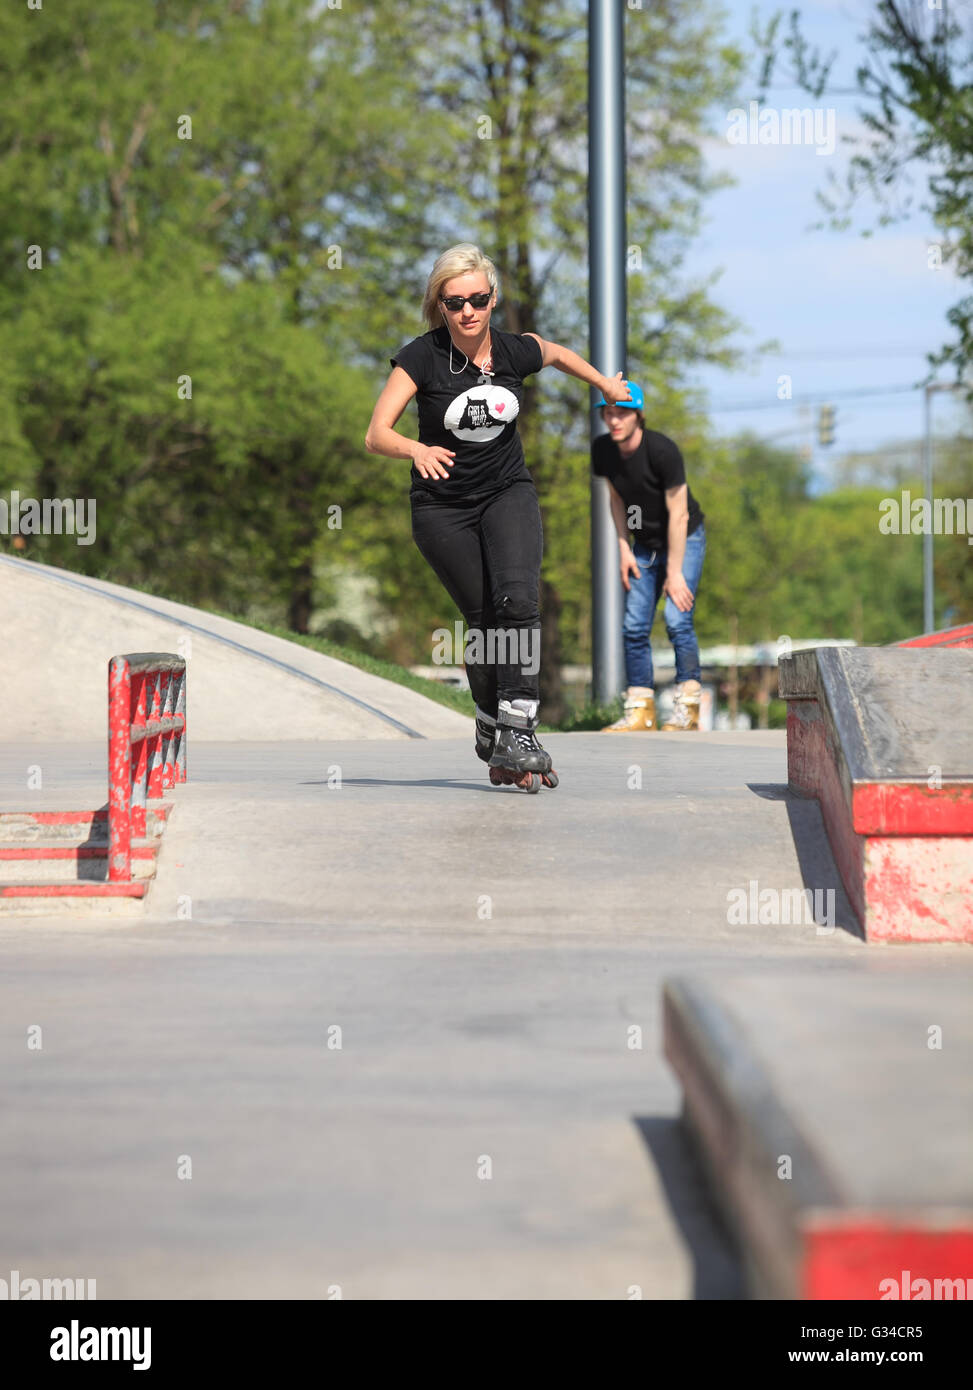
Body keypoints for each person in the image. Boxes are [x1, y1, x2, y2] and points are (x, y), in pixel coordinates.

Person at [365, 242, 632, 790]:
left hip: (507, 492)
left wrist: (606, 385)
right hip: (442, 508)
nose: (468, 311)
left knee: (518, 600)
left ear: (492, 299)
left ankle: (518, 727)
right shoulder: (421, 357)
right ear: (440, 305)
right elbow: (376, 434)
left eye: (478, 300)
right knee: (485, 622)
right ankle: (491, 725)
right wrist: (415, 450)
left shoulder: (513, 350)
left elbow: (556, 354)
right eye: (454, 302)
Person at [592, 382, 706, 731]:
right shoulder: (603, 450)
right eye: (608, 413)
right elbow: (616, 500)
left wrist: (674, 571)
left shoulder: (662, 451)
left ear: (638, 415)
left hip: (684, 537)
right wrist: (624, 548)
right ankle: (641, 710)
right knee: (634, 626)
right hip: (643, 544)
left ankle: (688, 707)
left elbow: (679, 514)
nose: (614, 420)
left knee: (676, 618)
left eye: (622, 413)